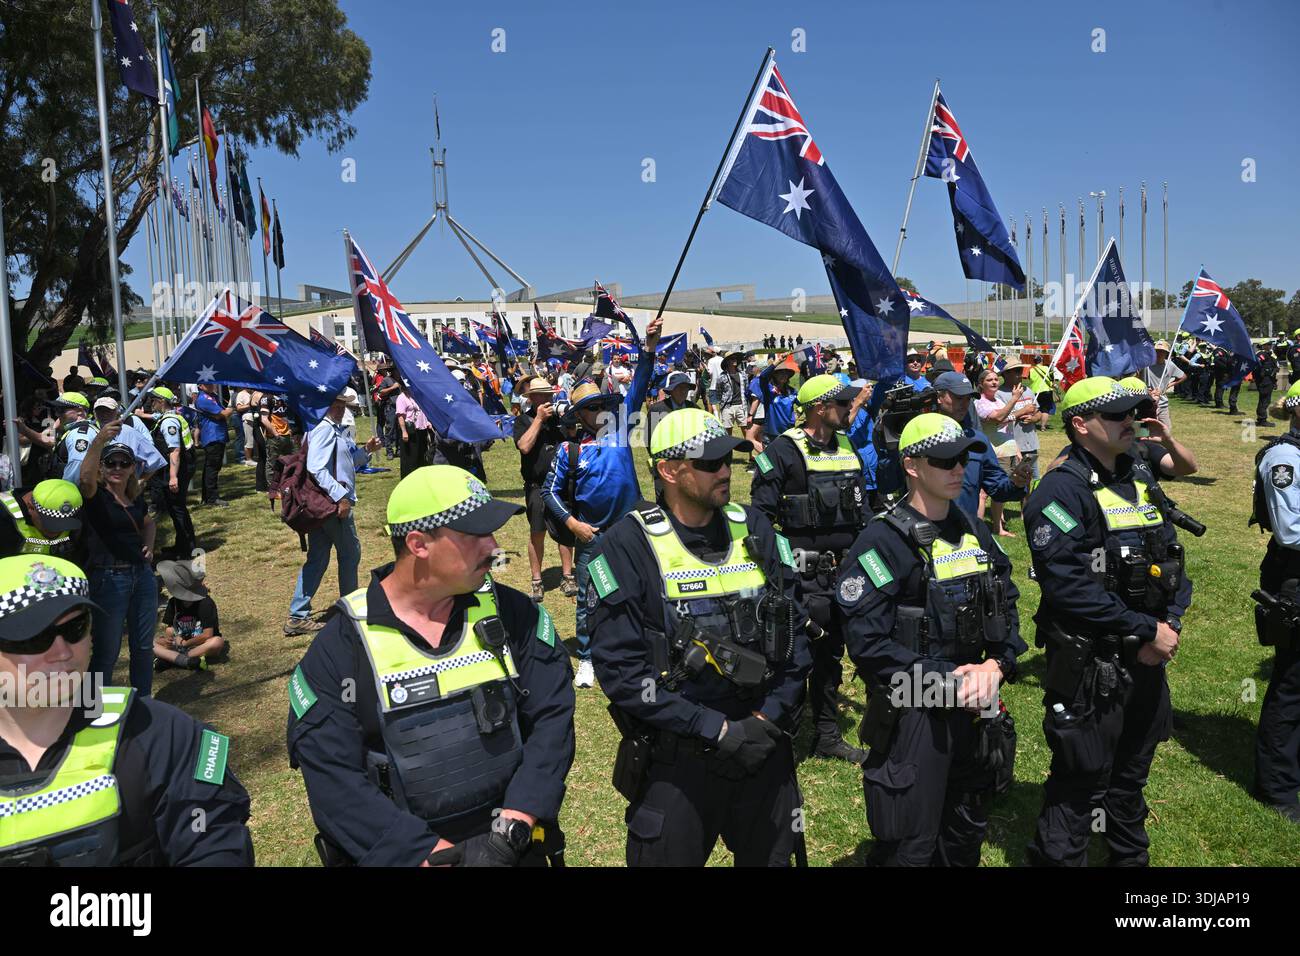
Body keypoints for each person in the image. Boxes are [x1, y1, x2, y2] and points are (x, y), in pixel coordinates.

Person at [287, 465, 575, 866]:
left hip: (513, 844)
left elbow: (553, 715)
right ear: (419, 544)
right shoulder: (342, 646)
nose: (494, 547)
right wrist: (422, 852)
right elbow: (332, 775)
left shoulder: (513, 614)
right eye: (475, 535)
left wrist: (515, 823)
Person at [588, 408, 813, 865]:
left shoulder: (754, 528)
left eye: (728, 460)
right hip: (680, 756)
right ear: (670, 470)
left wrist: (767, 719)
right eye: (711, 464)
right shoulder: (625, 546)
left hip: (763, 741)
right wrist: (714, 729)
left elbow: (796, 632)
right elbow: (623, 673)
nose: (726, 471)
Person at [835, 413, 1025, 865]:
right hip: (913, 711)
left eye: (963, 458)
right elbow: (867, 643)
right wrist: (950, 683)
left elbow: (1007, 600)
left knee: (965, 832)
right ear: (912, 465)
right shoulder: (882, 541)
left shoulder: (973, 530)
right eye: (945, 460)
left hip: (976, 704)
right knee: (910, 845)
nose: (959, 468)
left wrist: (997, 664)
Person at [1022, 377, 1190, 866]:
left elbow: (1173, 560)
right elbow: (1068, 587)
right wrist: (1145, 630)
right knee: (1079, 784)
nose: (1129, 422)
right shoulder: (1060, 491)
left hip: (1149, 657)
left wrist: (1169, 625)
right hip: (1091, 666)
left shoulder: (1137, 475)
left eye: (1131, 413)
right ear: (1080, 425)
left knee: (1131, 777)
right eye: (1116, 416)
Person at [0, 554, 254, 865]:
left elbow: (215, 849)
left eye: (76, 627)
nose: (63, 652)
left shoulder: (162, 733)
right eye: (33, 637)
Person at [751, 374, 872, 764]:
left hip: (843, 577)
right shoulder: (784, 450)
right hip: (800, 579)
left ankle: (825, 734)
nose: (849, 409)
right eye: (843, 403)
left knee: (830, 657)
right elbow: (759, 523)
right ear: (820, 407)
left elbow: (861, 510)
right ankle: (779, 735)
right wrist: (780, 576)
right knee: (789, 658)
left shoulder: (847, 447)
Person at [543, 316, 662, 688]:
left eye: (601, 405)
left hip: (632, 529)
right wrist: (573, 525)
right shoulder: (569, 451)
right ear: (579, 416)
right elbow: (549, 493)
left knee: (644, 588)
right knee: (589, 597)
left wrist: (648, 350)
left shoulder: (622, 430)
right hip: (591, 536)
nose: (599, 412)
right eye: (591, 408)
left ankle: (643, 648)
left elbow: (640, 386)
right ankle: (588, 658)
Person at [285, 387, 381, 637]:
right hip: (332, 505)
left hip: (325, 505)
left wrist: (367, 451)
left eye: (343, 405)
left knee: (318, 558)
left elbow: (348, 462)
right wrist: (341, 497)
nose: (341, 409)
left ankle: (298, 614)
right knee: (350, 554)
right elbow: (317, 468)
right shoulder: (324, 429)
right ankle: (348, 609)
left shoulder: (334, 429)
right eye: (336, 405)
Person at [1249, 380, 1300, 823]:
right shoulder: (1285, 457)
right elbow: (1290, 530)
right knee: (1293, 682)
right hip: (1294, 578)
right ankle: (1277, 785)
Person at [77, 426, 159, 697]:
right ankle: (92, 713)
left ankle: (143, 704)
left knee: (143, 647)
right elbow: (85, 479)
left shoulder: (134, 498)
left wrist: (148, 544)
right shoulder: (95, 496)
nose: (117, 467)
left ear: (133, 468)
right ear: (102, 467)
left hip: (142, 577)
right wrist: (99, 440)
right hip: (108, 579)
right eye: (111, 462)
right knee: (106, 652)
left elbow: (148, 524)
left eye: (124, 463)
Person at [934, 371, 1030, 525]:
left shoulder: (978, 440)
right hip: (926, 531)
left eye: (968, 399)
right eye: (958, 398)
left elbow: (998, 488)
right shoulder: (921, 436)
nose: (965, 404)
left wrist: (1015, 483)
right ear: (939, 397)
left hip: (965, 530)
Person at [513, 377, 576, 602]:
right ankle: (537, 580)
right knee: (537, 532)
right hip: (537, 486)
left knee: (565, 531)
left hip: (560, 485)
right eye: (542, 395)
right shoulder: (523, 420)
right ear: (532, 398)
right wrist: (538, 419)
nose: (548, 399)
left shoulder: (558, 419)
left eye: (550, 395)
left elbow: (572, 444)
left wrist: (569, 426)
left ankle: (568, 576)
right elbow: (524, 446)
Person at [145, 386, 197, 561]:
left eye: (153, 400)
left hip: (175, 470)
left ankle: (187, 549)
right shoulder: (169, 417)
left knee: (177, 508)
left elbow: (174, 450)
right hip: (177, 468)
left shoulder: (168, 422)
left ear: (161, 401)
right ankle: (181, 544)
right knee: (176, 508)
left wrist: (173, 477)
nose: (151, 404)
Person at [154, 559, 227, 671]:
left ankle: (173, 659)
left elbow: (207, 635)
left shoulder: (205, 603)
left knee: (217, 642)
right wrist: (172, 637)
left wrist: (186, 643)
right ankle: (185, 660)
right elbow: (170, 627)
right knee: (149, 642)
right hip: (179, 643)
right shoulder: (174, 602)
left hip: (198, 644)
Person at [0, 478, 83, 560]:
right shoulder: (4, 515)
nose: (56, 531)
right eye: (50, 523)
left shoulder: (74, 508)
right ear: (30, 507)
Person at [194, 383, 233, 507]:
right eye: (208, 384)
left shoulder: (212, 396)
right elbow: (222, 414)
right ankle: (212, 498)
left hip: (216, 435)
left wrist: (224, 412)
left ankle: (207, 496)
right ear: (200, 386)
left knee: (212, 467)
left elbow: (221, 413)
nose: (212, 386)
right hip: (212, 436)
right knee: (212, 468)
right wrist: (232, 408)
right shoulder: (203, 399)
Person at [260, 390, 297, 499]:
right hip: (274, 436)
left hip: (289, 436)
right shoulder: (267, 397)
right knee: (272, 463)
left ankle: (290, 487)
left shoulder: (286, 393)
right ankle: (273, 490)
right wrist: (275, 433)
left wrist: (292, 430)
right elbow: (264, 419)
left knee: (292, 462)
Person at [1142, 340, 1185, 433]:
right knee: (1144, 430)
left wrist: (1168, 386)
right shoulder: (1146, 364)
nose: (1159, 353)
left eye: (1162, 351)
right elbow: (1136, 378)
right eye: (1157, 351)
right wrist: (1145, 389)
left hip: (1162, 404)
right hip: (1146, 403)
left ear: (1166, 353)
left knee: (1166, 430)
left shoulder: (1170, 365)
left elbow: (1183, 376)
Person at [394, 385, 431, 479]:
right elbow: (400, 416)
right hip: (410, 431)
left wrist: (427, 422)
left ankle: (420, 479)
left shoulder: (417, 395)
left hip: (421, 429)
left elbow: (422, 411)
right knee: (410, 458)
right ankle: (409, 479)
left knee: (421, 455)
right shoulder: (401, 397)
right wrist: (404, 431)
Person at [1254, 341, 1280, 429]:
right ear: (1263, 346)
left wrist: (1274, 381)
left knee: (1264, 400)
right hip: (1264, 381)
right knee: (1264, 400)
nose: (1270, 346)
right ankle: (1262, 419)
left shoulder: (1269, 354)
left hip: (1269, 380)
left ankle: (1261, 418)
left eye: (1270, 344)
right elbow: (1257, 364)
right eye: (1268, 344)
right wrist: (1264, 373)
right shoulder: (1262, 354)